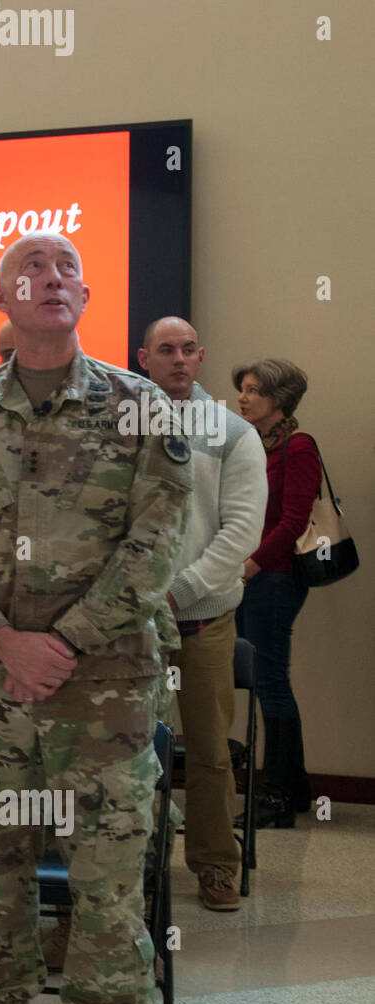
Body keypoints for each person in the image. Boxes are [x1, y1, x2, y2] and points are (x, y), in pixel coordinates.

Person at [0, 232, 192, 1004]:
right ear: (1, 296)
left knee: (105, 884)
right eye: (31, 269)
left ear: (85, 294)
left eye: (67, 267)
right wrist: (2, 640)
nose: (51, 279)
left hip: (102, 692)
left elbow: (156, 544)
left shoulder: (140, 405)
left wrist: (62, 639)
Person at [137, 318, 265, 909]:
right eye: (167, 350)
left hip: (204, 620)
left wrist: (178, 593)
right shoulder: (119, 427)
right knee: (133, 748)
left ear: (202, 356)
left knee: (211, 751)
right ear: (144, 358)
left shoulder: (235, 433)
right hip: (134, 620)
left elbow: (240, 532)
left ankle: (215, 865)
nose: (180, 360)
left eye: (189, 350)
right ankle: (135, 865)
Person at [234, 358, 320, 829]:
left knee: (269, 682)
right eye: (242, 389)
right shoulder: (254, 445)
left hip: (275, 579)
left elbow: (293, 522)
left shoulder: (297, 446)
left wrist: (249, 567)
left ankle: (278, 796)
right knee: (267, 679)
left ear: (279, 398)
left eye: (253, 391)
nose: (243, 398)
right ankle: (298, 788)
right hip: (254, 578)